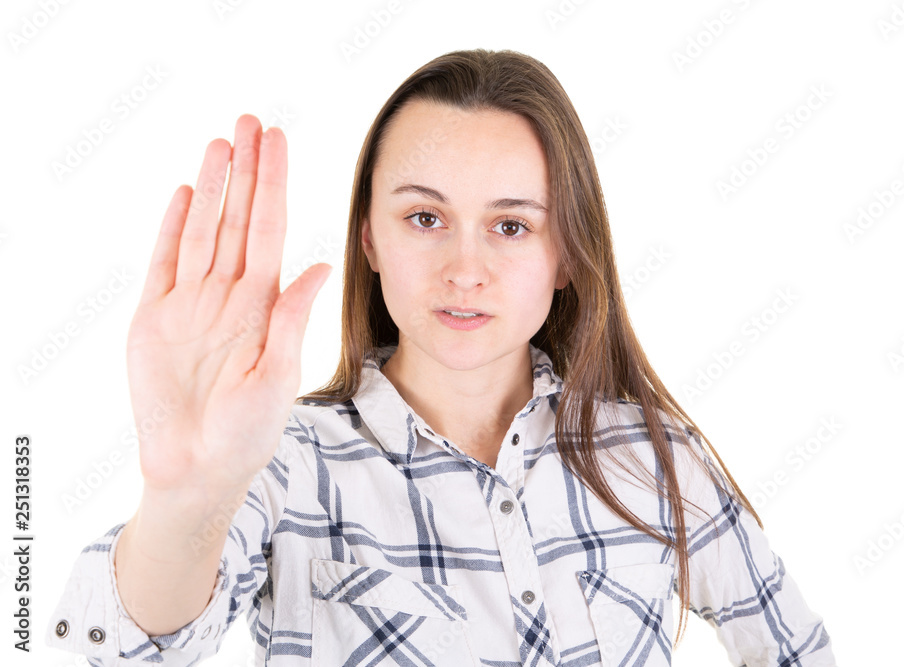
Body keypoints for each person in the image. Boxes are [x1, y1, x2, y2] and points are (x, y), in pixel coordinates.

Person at [45, 48, 837, 666]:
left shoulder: (652, 456)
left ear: (566, 253)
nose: (466, 268)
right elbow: (140, 640)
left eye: (511, 225)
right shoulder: (283, 462)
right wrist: (187, 494)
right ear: (370, 237)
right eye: (425, 217)